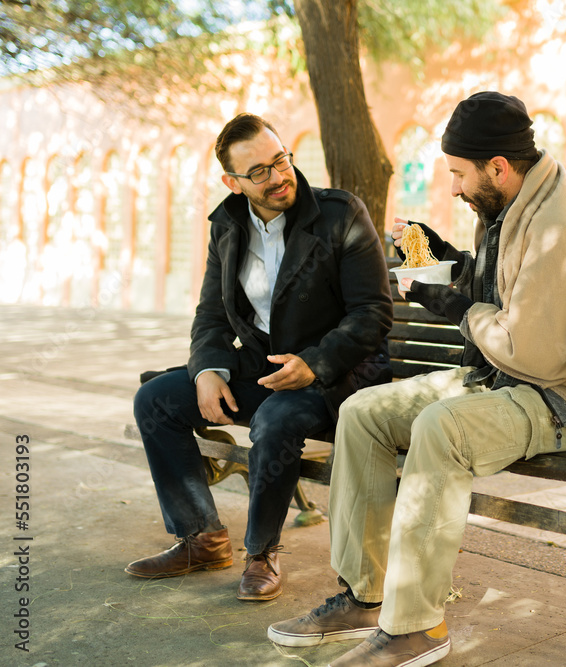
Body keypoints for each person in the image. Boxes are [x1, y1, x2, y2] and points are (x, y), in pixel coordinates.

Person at [267, 92, 566, 666]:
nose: (453, 187)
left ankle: (416, 626)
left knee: (441, 428)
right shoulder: (513, 204)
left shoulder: (558, 223)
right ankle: (366, 597)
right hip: (508, 379)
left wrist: (454, 307)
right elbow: (503, 287)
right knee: (362, 413)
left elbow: (531, 352)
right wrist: (443, 254)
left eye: (458, 173)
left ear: (497, 166)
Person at [127, 113, 394, 602]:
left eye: (281, 160)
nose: (278, 177)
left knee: (275, 419)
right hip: (264, 368)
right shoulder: (227, 227)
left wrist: (314, 363)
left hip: (336, 376)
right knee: (156, 399)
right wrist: (208, 370)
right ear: (232, 182)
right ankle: (201, 539)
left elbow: (372, 313)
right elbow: (211, 314)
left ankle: (262, 552)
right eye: (258, 172)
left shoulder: (339, 214)